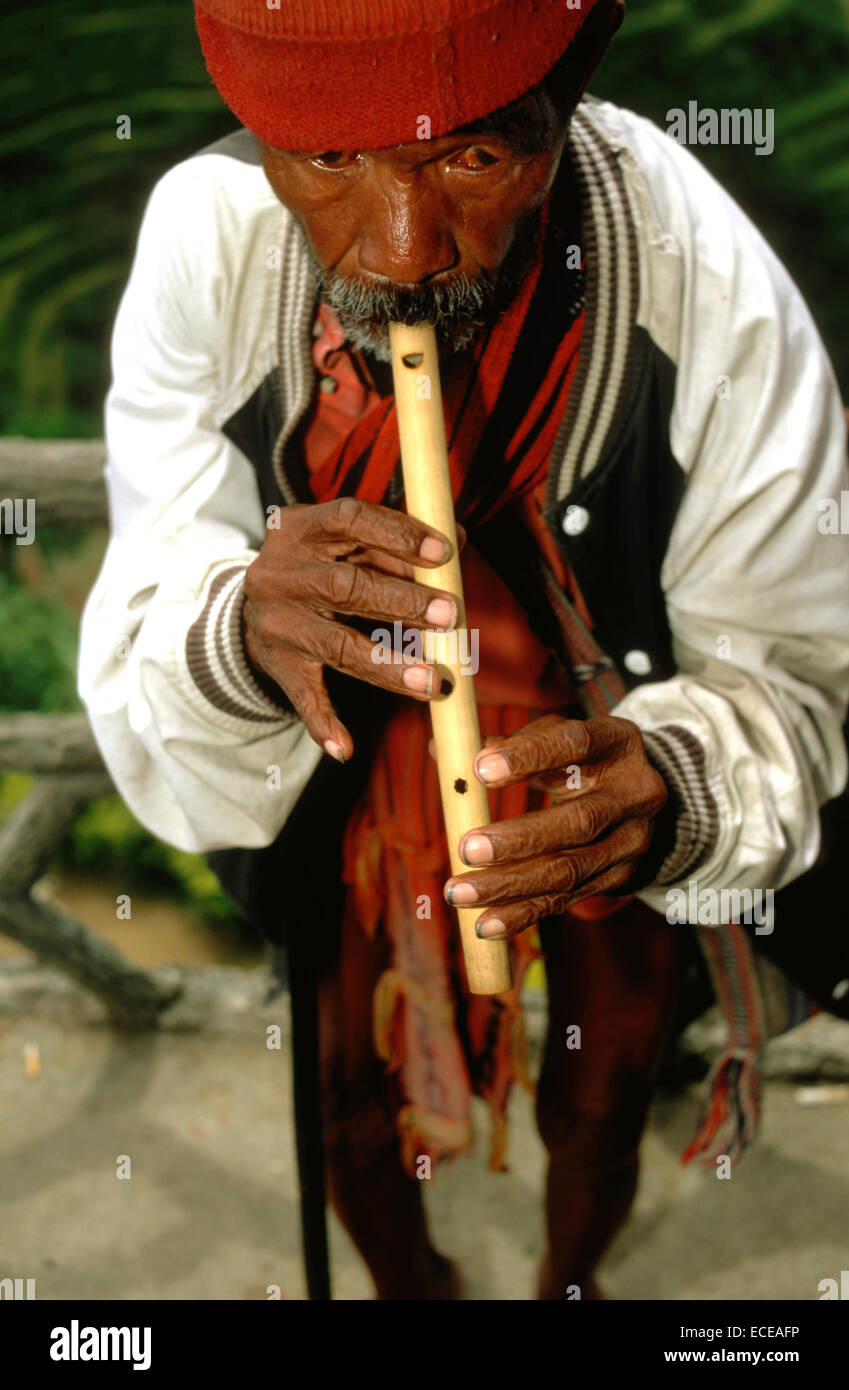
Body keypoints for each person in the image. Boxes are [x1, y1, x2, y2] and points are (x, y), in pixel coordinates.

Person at [79, 0, 849, 1299]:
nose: (398, 252)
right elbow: (154, 589)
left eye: (472, 158)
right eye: (330, 160)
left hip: (591, 701)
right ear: (267, 133)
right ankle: (412, 1290)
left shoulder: (693, 264)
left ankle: (565, 1282)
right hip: (345, 732)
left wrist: (678, 780)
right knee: (335, 1077)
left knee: (608, 1071)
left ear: (564, 106)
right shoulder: (203, 233)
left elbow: (796, 661)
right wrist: (234, 621)